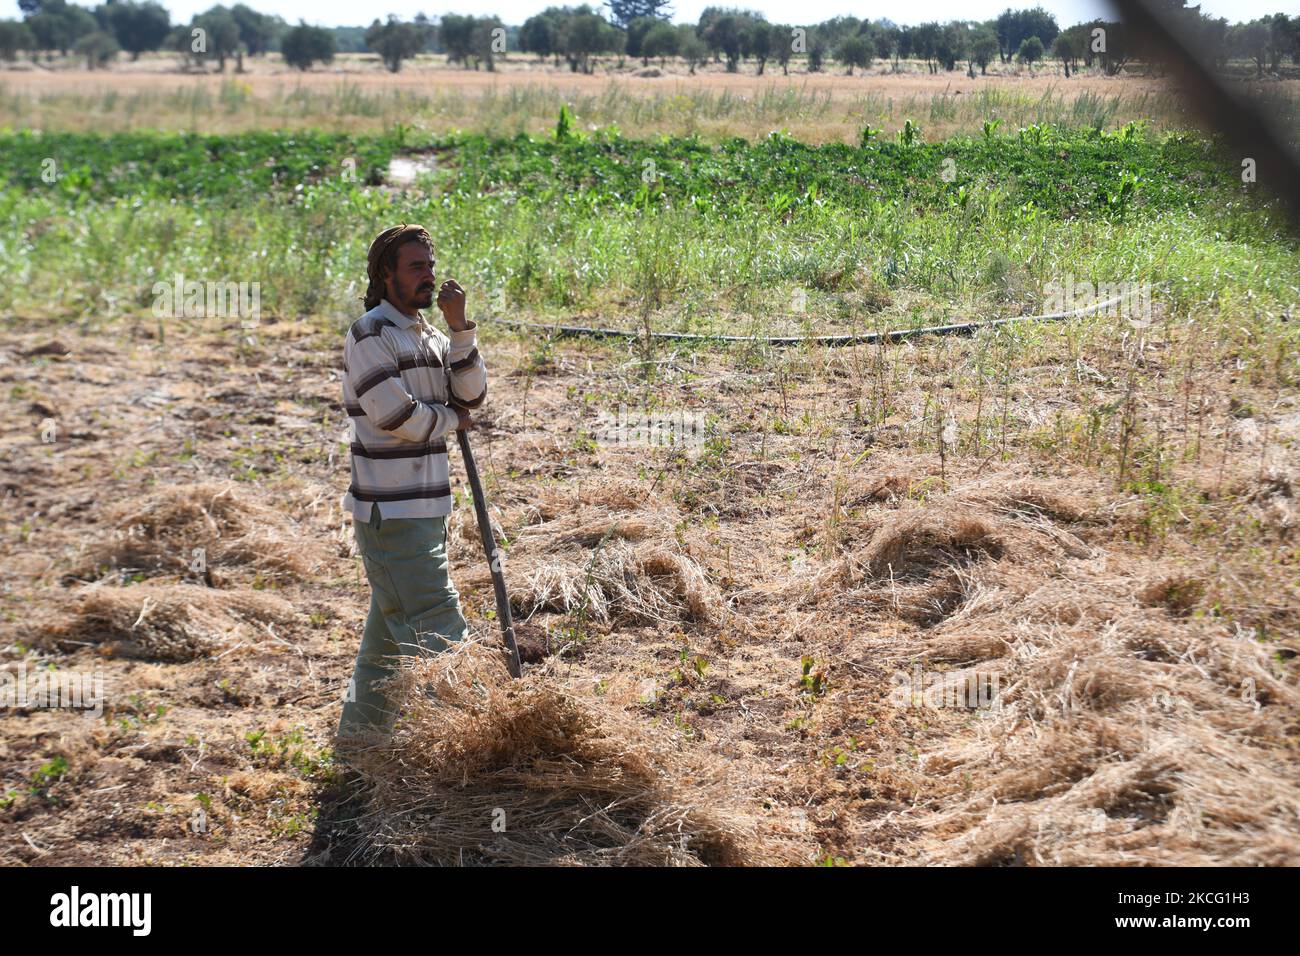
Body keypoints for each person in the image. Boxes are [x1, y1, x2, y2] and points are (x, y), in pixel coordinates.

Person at [335, 224, 487, 742]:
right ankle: (479, 734)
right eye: (415, 267)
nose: (429, 276)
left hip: (425, 509)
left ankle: (358, 751)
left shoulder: (431, 336)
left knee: (386, 642)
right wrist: (453, 420)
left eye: (430, 265)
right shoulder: (369, 334)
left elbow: (471, 394)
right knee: (437, 623)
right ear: (386, 274)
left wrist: (461, 328)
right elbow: (397, 416)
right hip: (390, 514)